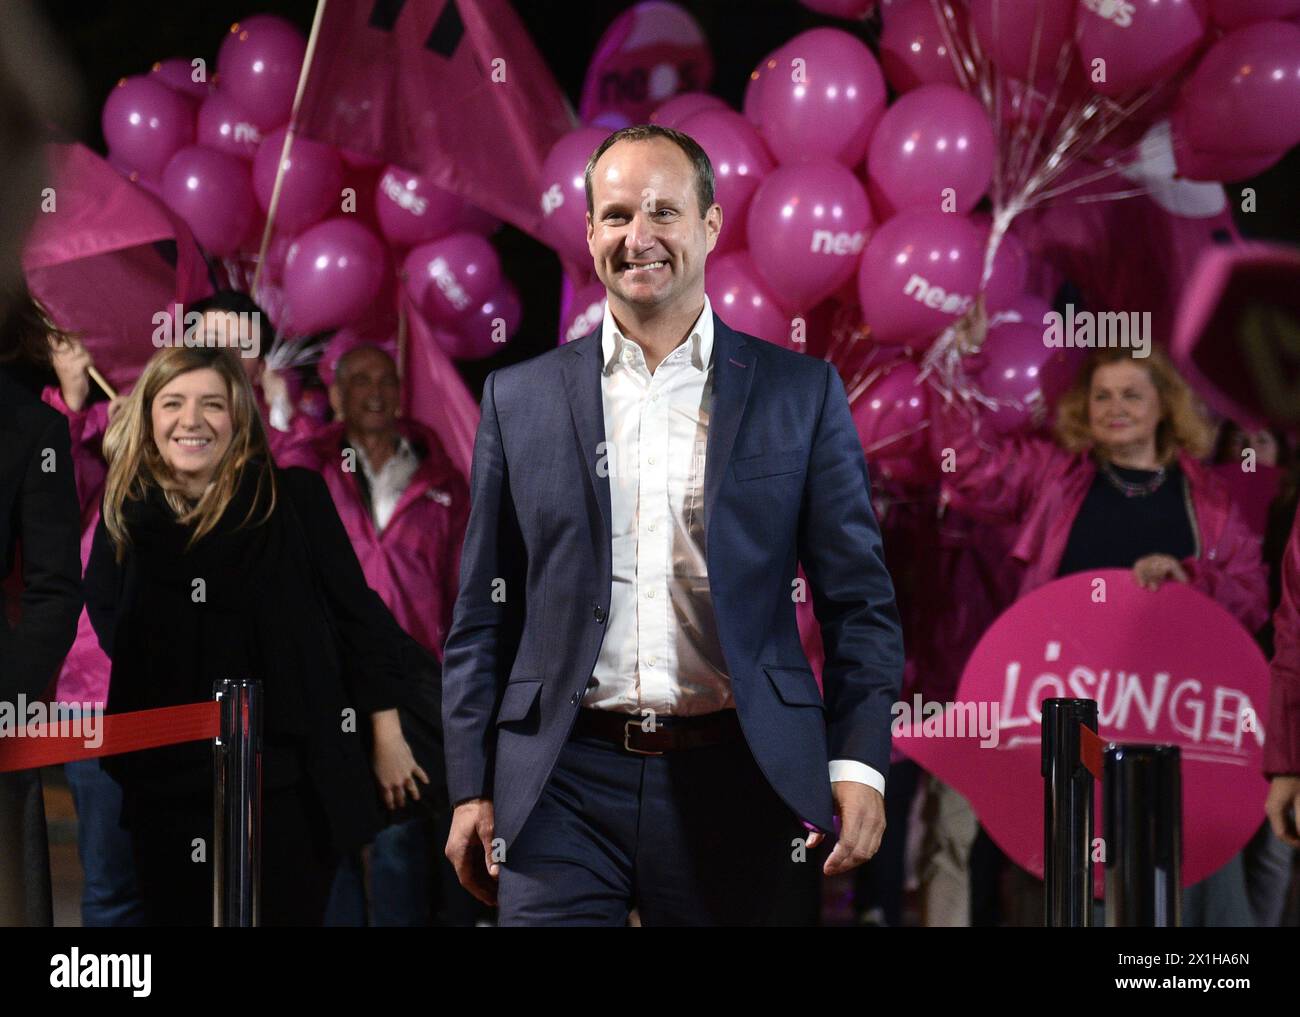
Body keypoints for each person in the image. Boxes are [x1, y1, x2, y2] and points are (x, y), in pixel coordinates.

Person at [443, 124, 904, 926]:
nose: (639, 236)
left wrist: (860, 758)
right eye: (617, 214)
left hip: (743, 774)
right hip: (560, 780)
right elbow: (483, 616)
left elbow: (859, 601)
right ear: (588, 234)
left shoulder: (801, 393)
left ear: (711, 225)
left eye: (664, 210)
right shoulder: (516, 400)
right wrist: (469, 785)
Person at [84, 345, 425, 925]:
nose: (191, 420)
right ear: (148, 417)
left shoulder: (292, 497)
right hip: (166, 786)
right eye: (173, 403)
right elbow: (114, 623)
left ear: (238, 417)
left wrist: (386, 732)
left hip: (286, 785)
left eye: (211, 404)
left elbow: (357, 617)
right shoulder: (128, 513)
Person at [933, 344, 1269, 925]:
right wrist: (959, 357)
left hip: (1173, 728)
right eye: (1102, 396)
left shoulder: (1209, 498)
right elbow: (964, 462)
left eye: (1132, 394)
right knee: (1067, 878)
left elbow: (1253, 594)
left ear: (1164, 404)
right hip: (1069, 727)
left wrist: (1192, 578)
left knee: (1174, 887)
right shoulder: (1055, 479)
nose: (1116, 407)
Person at [279, 343, 473, 926]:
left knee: (403, 836)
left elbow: (465, 590)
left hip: (414, 686)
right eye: (358, 380)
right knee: (337, 838)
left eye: (386, 380)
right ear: (335, 394)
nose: (374, 391)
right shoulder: (310, 468)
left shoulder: (442, 481)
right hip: (329, 684)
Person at [41, 329, 145, 926]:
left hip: (187, 699)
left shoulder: (200, 441)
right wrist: (74, 402)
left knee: (180, 877)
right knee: (110, 881)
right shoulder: (92, 435)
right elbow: (42, 510)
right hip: (91, 694)